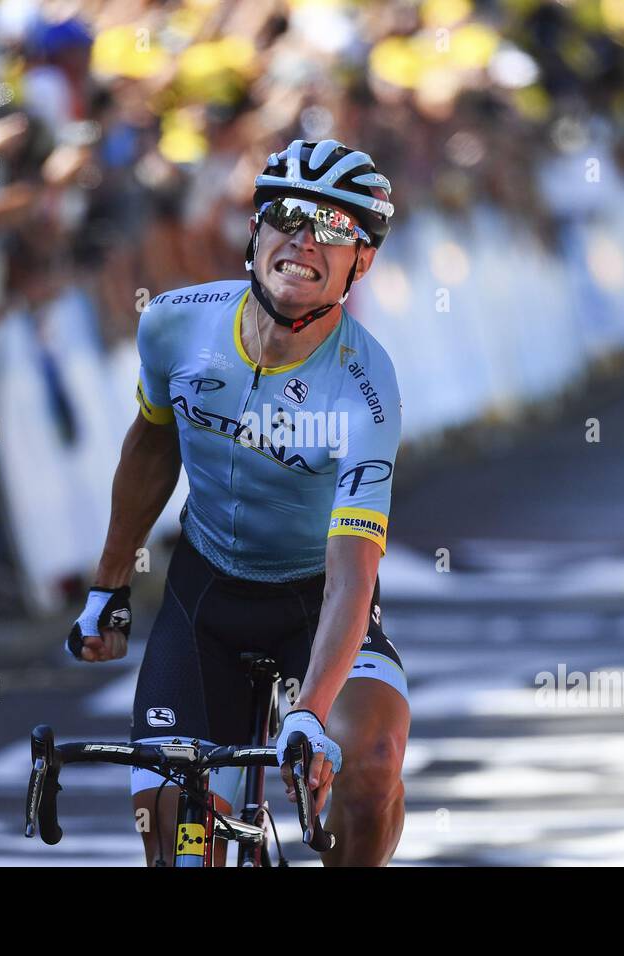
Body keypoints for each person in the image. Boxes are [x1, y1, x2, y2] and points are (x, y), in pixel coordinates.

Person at [68, 138, 409, 866]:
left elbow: (352, 569)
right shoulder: (173, 323)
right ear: (255, 230)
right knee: (171, 833)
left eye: (334, 228)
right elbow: (151, 446)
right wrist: (109, 588)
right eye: (285, 215)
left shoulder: (366, 389)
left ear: (363, 259)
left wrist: (313, 713)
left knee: (370, 759)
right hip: (206, 594)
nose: (303, 240)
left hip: (315, 600)